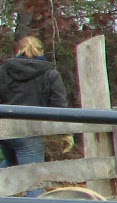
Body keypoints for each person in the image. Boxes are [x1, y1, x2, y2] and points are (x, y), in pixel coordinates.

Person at [0, 35, 70, 190]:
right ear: (41, 51)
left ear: (18, 50)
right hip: (29, 132)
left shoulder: (4, 71)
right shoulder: (50, 74)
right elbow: (59, 105)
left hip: (5, 130)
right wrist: (66, 133)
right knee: (34, 180)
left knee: (12, 164)